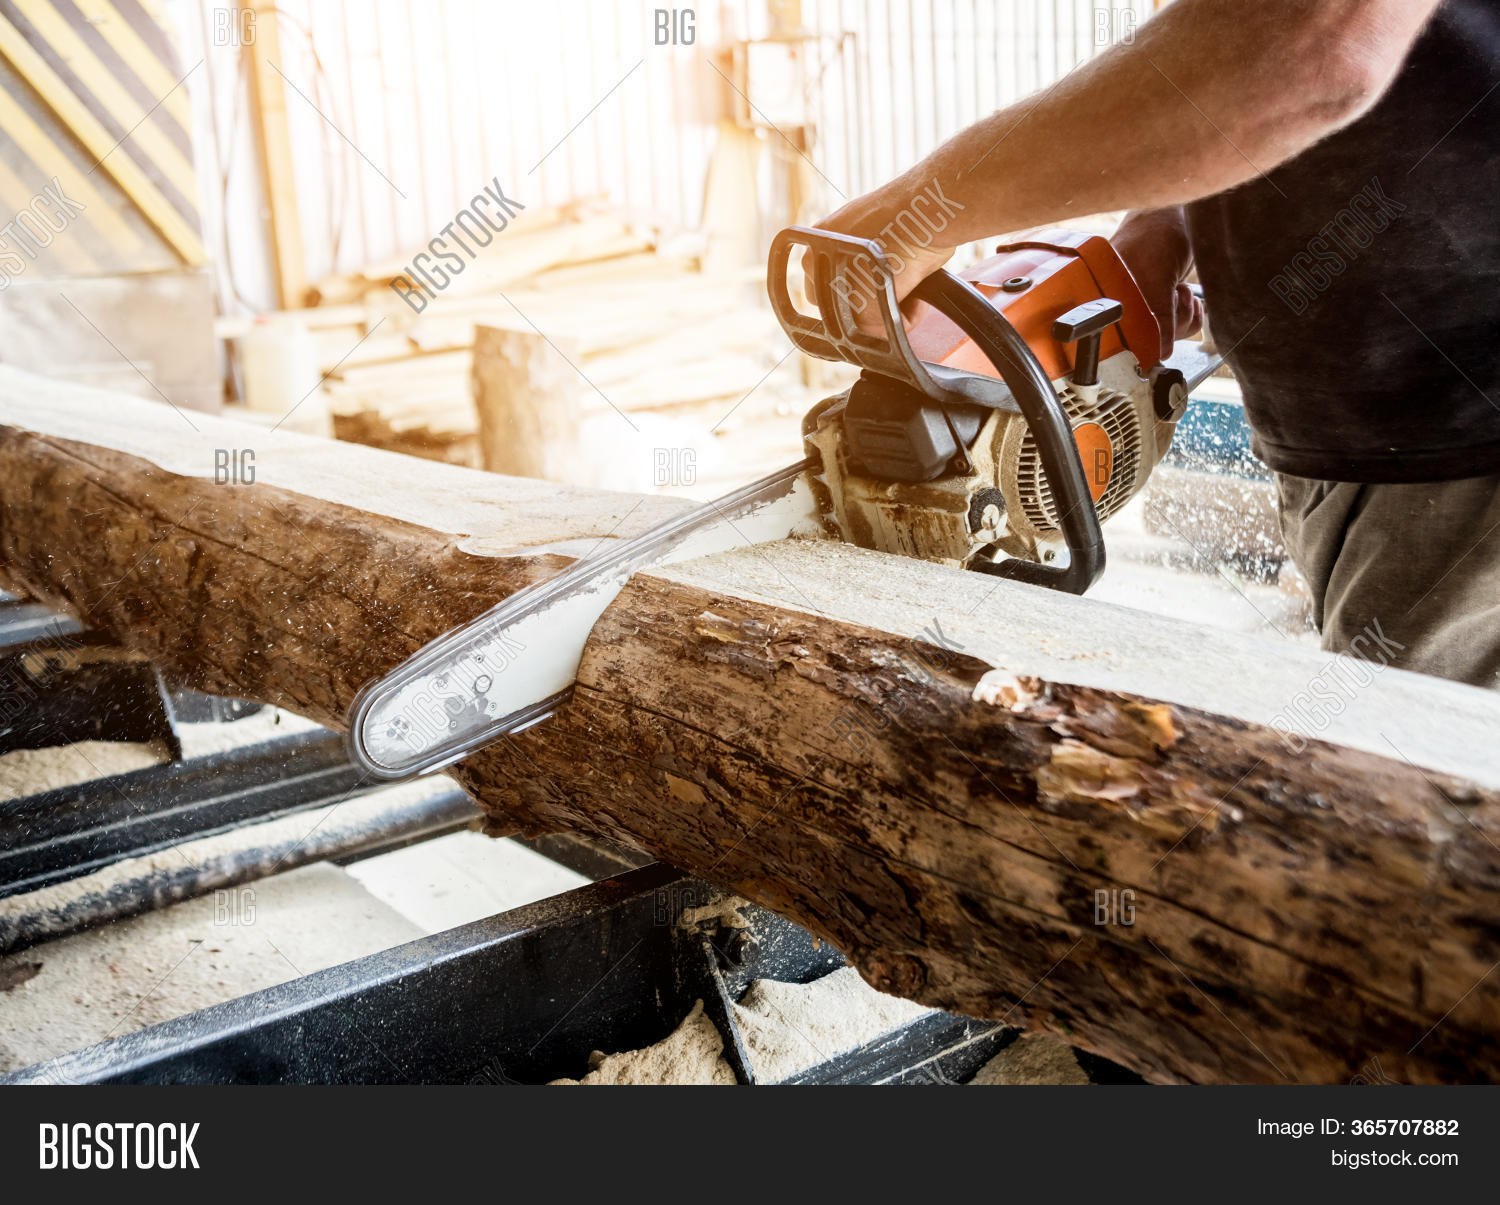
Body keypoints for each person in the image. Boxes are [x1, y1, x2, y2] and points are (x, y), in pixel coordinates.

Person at [815, 0, 1499, 688]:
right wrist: (1164, 222)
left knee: (1423, 771)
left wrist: (930, 207)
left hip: (1465, 426)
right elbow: (1242, 51)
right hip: (1379, 437)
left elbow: (1321, 44)